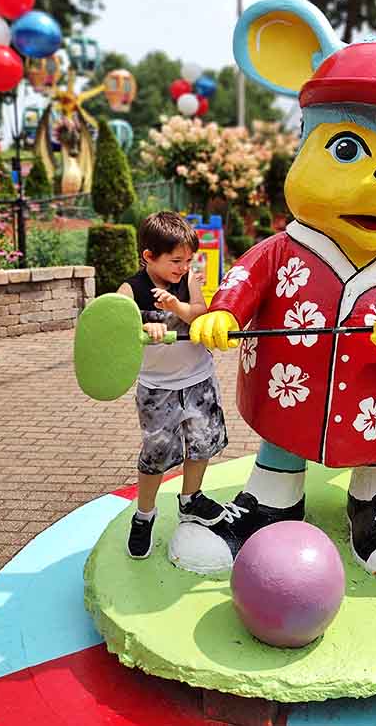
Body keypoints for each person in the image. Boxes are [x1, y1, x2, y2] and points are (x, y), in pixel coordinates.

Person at [117, 212, 228, 559]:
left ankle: (190, 499)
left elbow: (200, 312)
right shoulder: (129, 290)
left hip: (198, 380)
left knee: (201, 445)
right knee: (155, 455)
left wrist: (177, 306)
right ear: (149, 256)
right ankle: (144, 514)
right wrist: (141, 327)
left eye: (188, 260)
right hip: (157, 389)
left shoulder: (188, 281)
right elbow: (116, 332)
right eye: (175, 260)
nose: (183, 267)